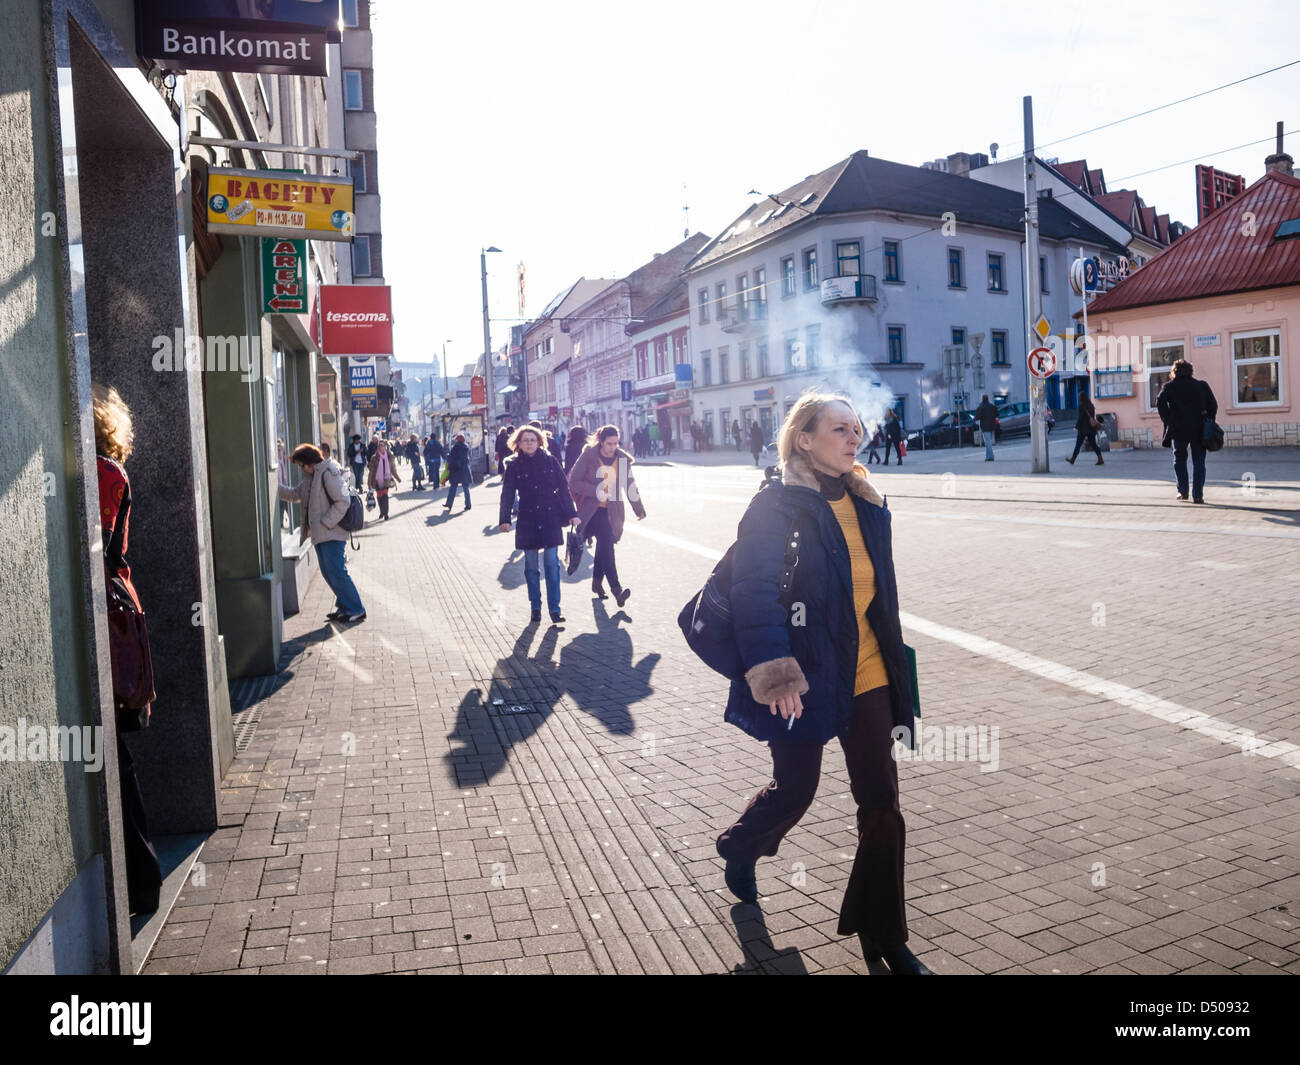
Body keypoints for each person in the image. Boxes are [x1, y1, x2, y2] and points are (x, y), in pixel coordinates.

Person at [714, 392, 927, 975]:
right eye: (839, 429)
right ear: (804, 439)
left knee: (881, 802)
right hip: (804, 676)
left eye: (856, 429)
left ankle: (884, 935)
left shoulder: (865, 501)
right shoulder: (776, 507)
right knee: (796, 789)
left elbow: (881, 596)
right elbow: (752, 594)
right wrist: (775, 671)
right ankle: (740, 845)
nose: (853, 438)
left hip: (868, 672)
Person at [93, 383, 164, 916]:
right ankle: (140, 879)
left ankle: (141, 879)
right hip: (114, 614)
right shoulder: (109, 471)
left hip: (106, 620)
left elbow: (99, 550)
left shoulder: (104, 475)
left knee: (115, 755)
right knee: (115, 756)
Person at [278, 442, 367, 624]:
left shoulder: (328, 473)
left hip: (332, 533)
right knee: (329, 572)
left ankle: (356, 608)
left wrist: (325, 522)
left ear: (309, 462)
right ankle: (344, 607)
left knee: (337, 572)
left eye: (301, 465)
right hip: (322, 534)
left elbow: (343, 502)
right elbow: (295, 494)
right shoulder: (312, 476)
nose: (301, 469)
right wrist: (273, 485)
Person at [498, 426, 580, 624]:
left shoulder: (550, 461)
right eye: (525, 440)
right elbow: (507, 493)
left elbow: (563, 489)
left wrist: (572, 514)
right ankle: (536, 607)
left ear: (539, 442)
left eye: (533, 440)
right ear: (518, 443)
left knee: (552, 565)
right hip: (527, 519)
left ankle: (555, 610)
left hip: (550, 517)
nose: (529, 443)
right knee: (531, 568)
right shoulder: (514, 465)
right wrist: (505, 519)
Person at [567, 425, 646, 607]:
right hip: (591, 510)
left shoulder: (622, 460)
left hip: (613, 511)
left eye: (615, 443)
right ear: (601, 441)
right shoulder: (589, 455)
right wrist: (596, 491)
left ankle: (596, 583)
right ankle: (617, 589)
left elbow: (630, 485)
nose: (612, 447)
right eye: (609, 443)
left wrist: (638, 508)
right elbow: (573, 481)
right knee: (606, 543)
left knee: (605, 545)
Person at [1157, 359, 1218, 503]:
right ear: (1190, 371)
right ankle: (1198, 495)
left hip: (1178, 429)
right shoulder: (1201, 386)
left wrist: (1168, 419)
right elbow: (1213, 405)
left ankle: (1183, 491)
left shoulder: (1170, 387)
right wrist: (1209, 420)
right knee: (1199, 462)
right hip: (1199, 429)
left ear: (1174, 372)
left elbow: (1160, 403)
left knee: (1179, 459)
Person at [367, 437, 401, 520]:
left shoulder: (390, 456)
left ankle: (386, 513)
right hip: (377, 480)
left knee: (385, 496)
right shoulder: (374, 457)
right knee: (379, 497)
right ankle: (381, 512)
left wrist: (398, 478)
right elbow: (371, 471)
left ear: (385, 447)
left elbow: (393, 469)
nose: (381, 447)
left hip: (386, 479)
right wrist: (369, 483)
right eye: (379, 445)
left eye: (382, 445)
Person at [1066, 393, 1104, 466]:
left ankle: (1072, 459)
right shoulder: (1091, 405)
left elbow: (1080, 418)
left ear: (1081, 398)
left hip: (1083, 429)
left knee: (1078, 445)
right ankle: (1100, 458)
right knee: (1093, 444)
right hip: (1091, 428)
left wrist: (1076, 427)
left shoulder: (1081, 406)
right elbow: (1092, 417)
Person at [443, 432, 472, 512]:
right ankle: (468, 505)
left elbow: (451, 458)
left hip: (456, 470)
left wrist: (448, 456)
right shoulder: (467, 447)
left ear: (457, 440)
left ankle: (449, 503)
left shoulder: (455, 447)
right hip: (465, 470)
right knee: (466, 488)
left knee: (453, 487)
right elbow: (469, 458)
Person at [975, 393, 999, 462]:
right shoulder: (992, 406)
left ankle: (991, 457)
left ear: (982, 399)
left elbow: (977, 416)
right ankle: (988, 456)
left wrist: (975, 419)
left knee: (987, 442)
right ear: (988, 399)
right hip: (992, 426)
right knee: (989, 442)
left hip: (985, 427)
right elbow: (997, 414)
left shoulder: (981, 406)